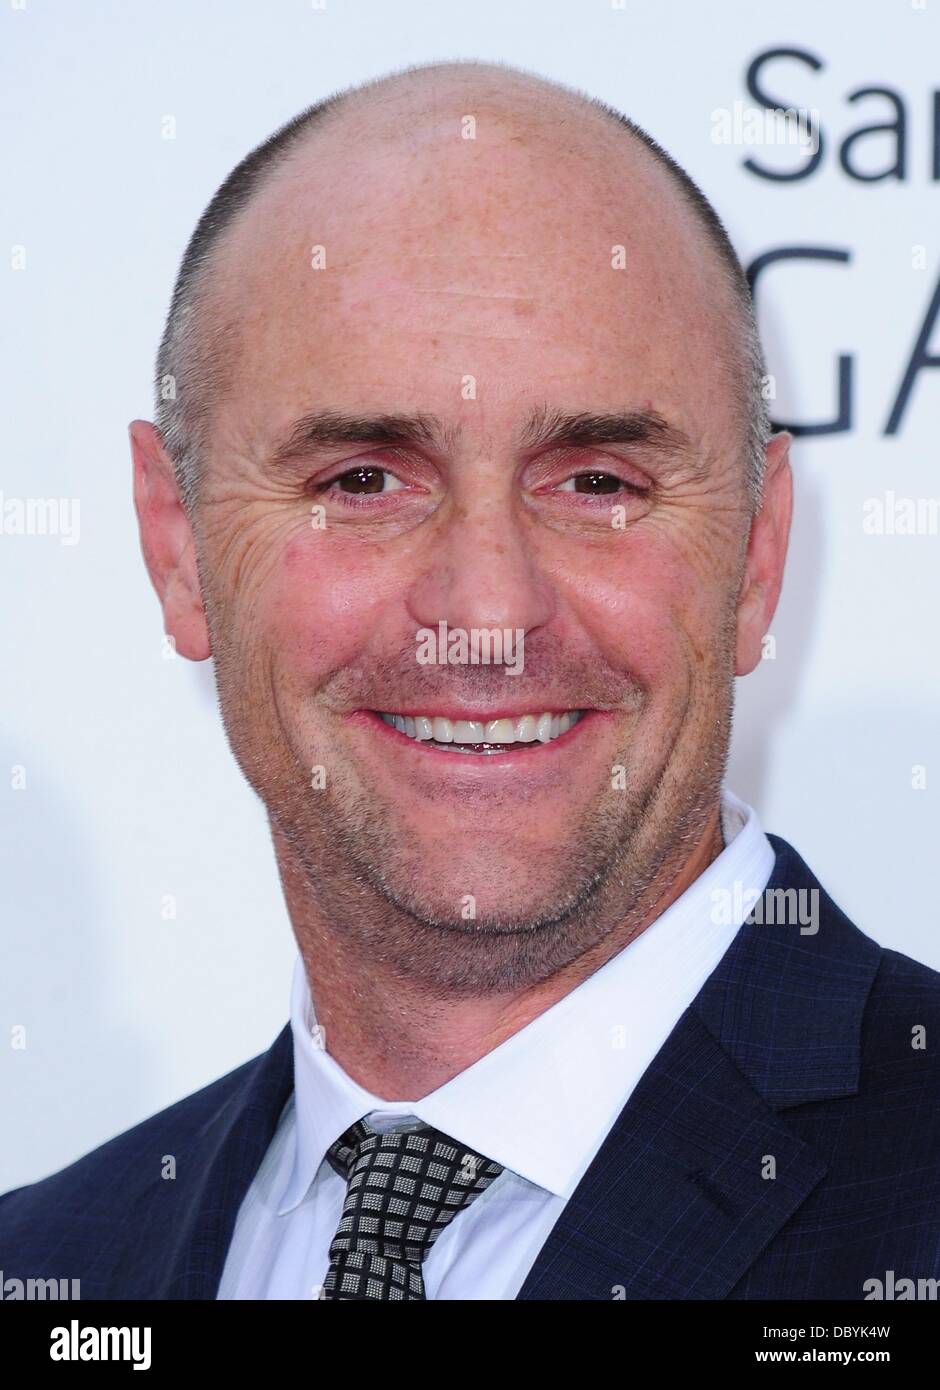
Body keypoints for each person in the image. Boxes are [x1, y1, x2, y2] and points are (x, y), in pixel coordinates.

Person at [2, 59, 937, 1302]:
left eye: (598, 481)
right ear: (176, 549)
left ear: (758, 559)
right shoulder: (52, 1266)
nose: (486, 615)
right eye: (364, 481)